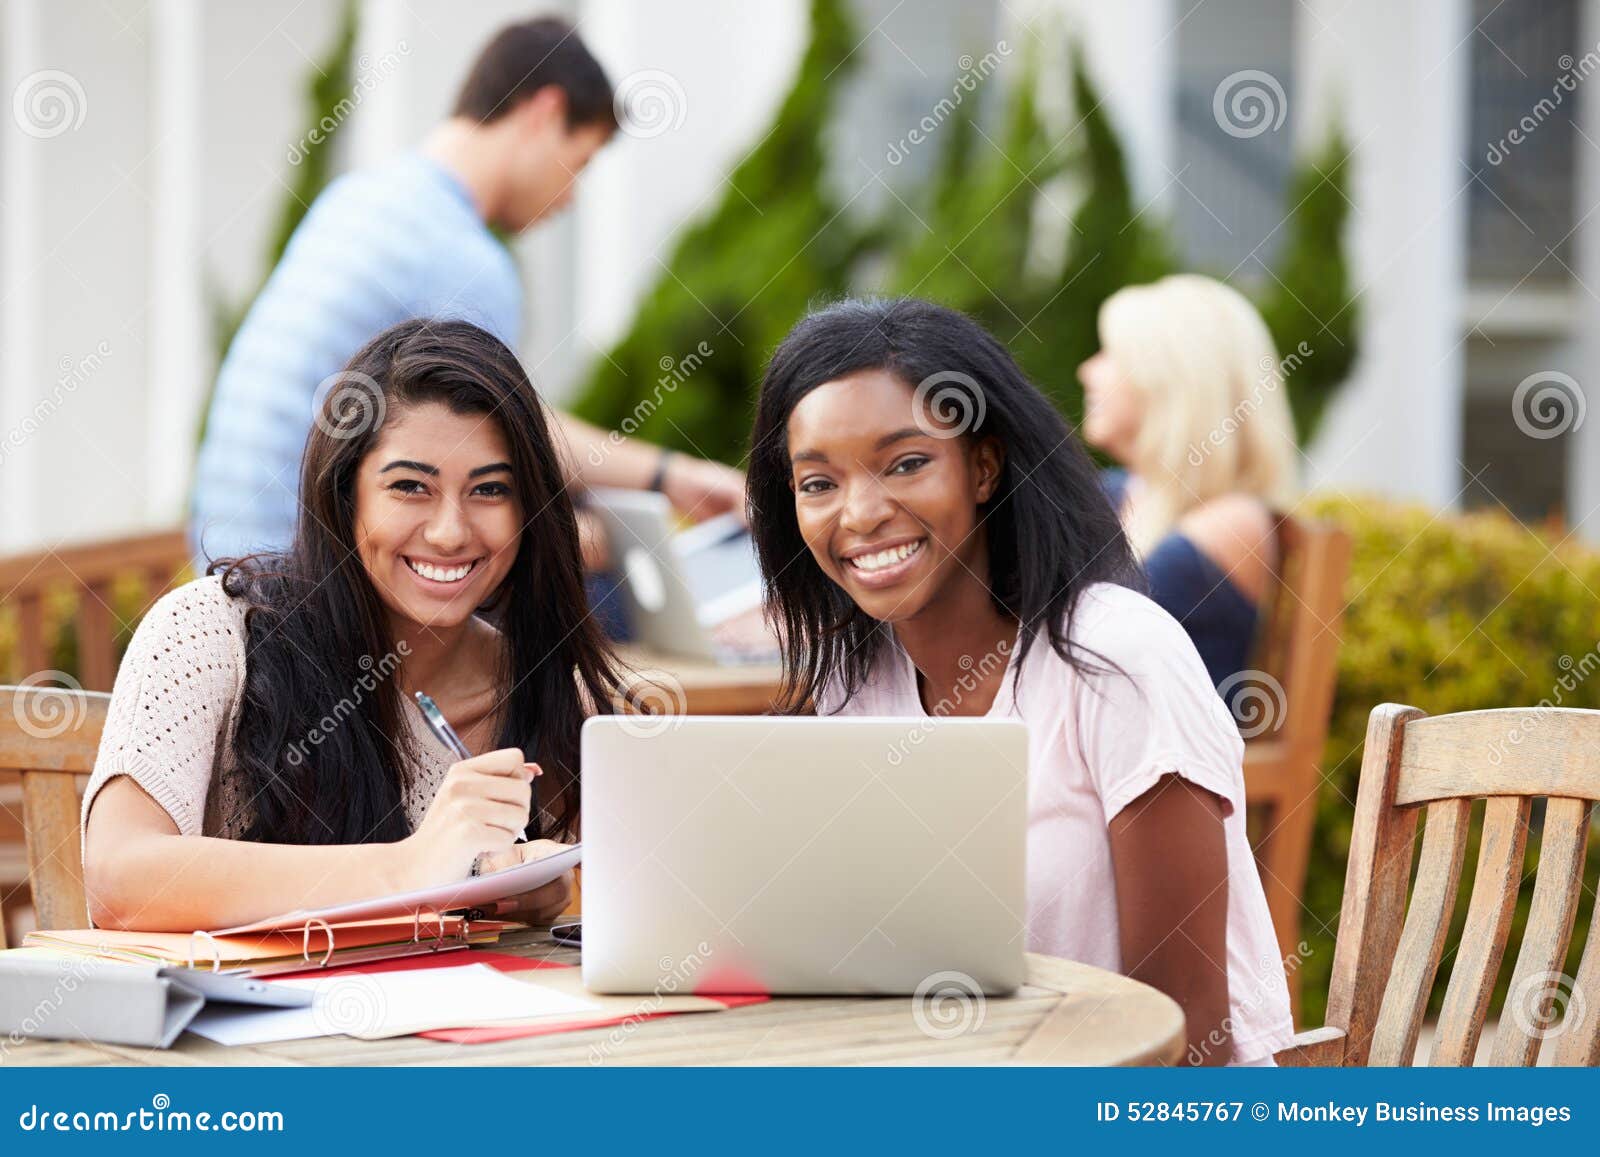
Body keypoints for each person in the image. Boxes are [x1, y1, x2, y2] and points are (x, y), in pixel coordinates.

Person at [746, 298, 1294, 1066]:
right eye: (818, 483)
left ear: (983, 465)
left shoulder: (1115, 658)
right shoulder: (856, 689)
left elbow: (1188, 1031)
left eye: (906, 463)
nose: (862, 514)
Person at [84, 320, 621, 932]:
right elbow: (121, 881)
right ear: (346, 497)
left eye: (490, 490)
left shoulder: (550, 693)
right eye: (410, 487)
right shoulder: (210, 633)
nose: (450, 531)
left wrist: (524, 888)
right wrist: (410, 871)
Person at [190, 15, 743, 571]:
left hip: (229, 558)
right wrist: (651, 509)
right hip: (303, 584)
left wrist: (667, 479)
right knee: (601, 580)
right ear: (544, 113)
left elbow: (506, 424)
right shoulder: (460, 254)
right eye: (579, 163)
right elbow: (510, 442)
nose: (571, 196)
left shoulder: (358, 199)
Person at [1078, 274, 1298, 698]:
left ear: (1172, 380)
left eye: (1110, 354)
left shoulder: (1233, 522)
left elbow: (1095, 641)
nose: (1087, 370)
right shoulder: (1121, 493)